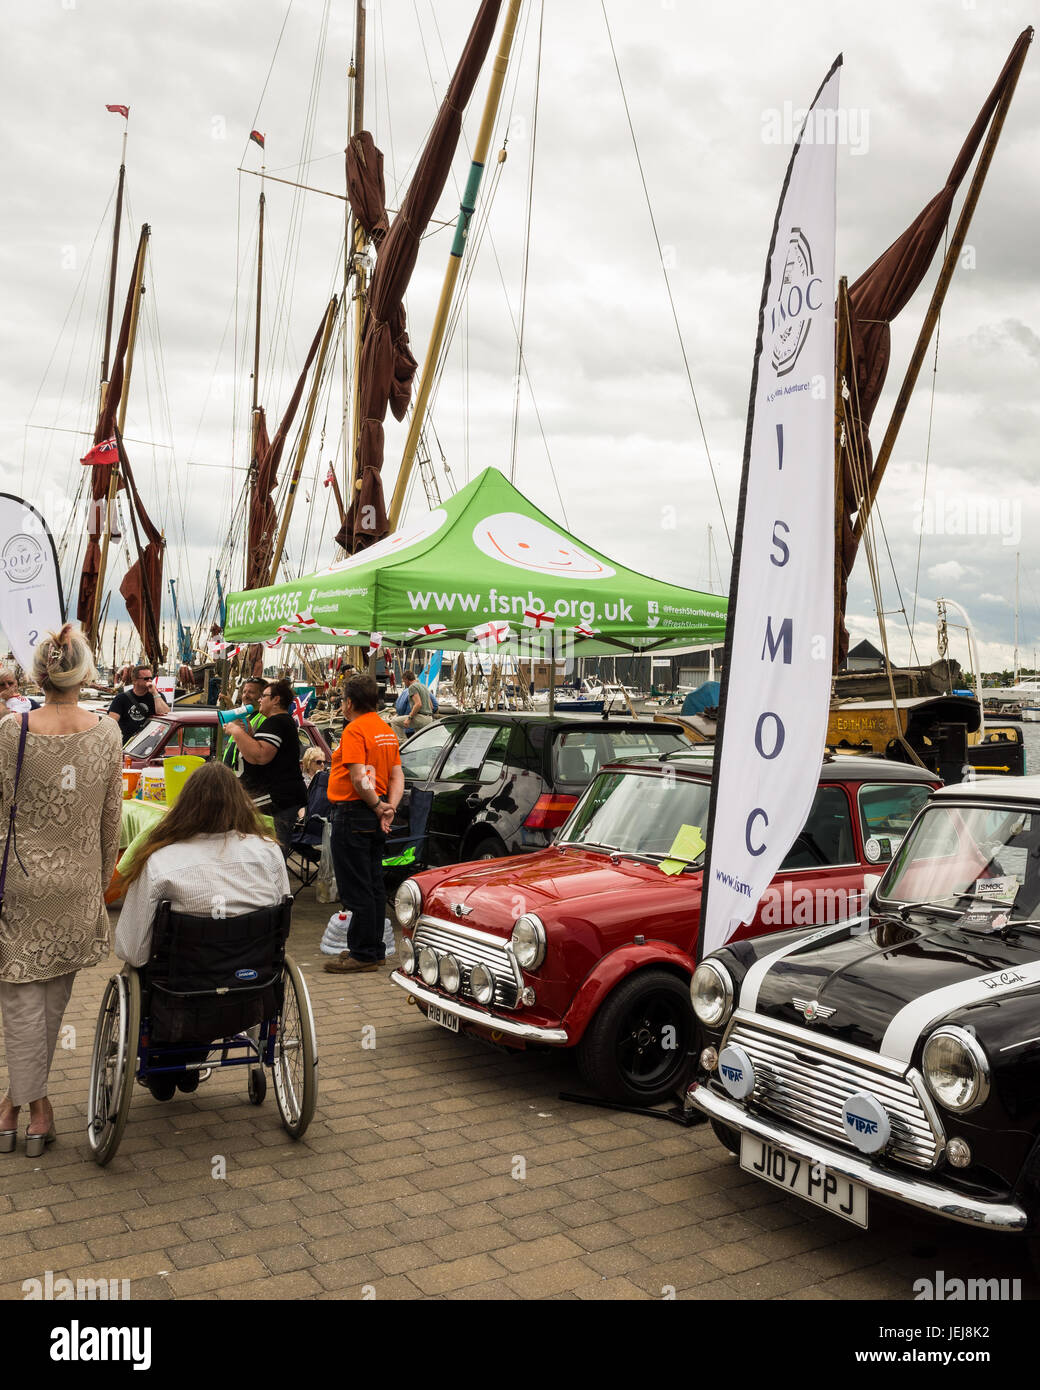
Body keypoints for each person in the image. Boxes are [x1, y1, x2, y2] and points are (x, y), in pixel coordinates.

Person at [0, 625, 122, 1155]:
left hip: (21, 881)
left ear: (41, 674)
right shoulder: (108, 734)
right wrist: (97, 886)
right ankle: (31, 1106)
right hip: (75, 885)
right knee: (48, 1000)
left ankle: (21, 1107)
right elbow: (110, 821)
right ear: (84, 674)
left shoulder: (11, 730)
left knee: (22, 997)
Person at [114, 761, 290, 1101]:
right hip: (251, 984)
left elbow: (133, 947)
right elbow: (281, 927)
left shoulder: (162, 859)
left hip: (179, 991)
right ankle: (193, 1057)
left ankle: (169, 1064)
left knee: (144, 970)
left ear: (185, 804)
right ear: (241, 802)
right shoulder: (268, 851)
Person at [323, 674, 403, 974]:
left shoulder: (355, 730)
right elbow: (397, 775)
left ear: (349, 703)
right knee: (372, 884)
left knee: (356, 888)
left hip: (354, 812)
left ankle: (364, 953)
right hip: (374, 811)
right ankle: (372, 948)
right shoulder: (385, 730)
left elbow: (358, 777)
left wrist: (376, 804)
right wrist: (388, 806)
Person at [224, 678, 307, 853]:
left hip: (277, 801)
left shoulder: (278, 721)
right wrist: (248, 735)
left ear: (276, 700)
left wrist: (236, 731)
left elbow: (260, 756)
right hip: (277, 800)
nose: (260, 700)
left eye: (264, 696)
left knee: (271, 855)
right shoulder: (277, 722)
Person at [107, 663, 170, 745]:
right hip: (128, 744)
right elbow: (111, 723)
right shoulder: (121, 698)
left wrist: (155, 693)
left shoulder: (158, 696)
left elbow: (166, 716)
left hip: (152, 744)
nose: (150, 681)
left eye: (151, 678)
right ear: (135, 681)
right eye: (146, 678)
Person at [221, 677, 265, 771]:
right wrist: (229, 704)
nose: (246, 696)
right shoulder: (246, 715)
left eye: (251, 692)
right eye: (244, 692)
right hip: (233, 774)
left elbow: (259, 751)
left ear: (262, 697)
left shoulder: (264, 719)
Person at [389, 670, 434, 743]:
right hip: (429, 718)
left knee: (394, 721)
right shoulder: (423, 687)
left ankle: (403, 743)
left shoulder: (412, 687)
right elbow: (431, 706)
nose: (404, 683)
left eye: (404, 681)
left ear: (407, 679)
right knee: (418, 742)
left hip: (421, 718)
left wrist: (409, 718)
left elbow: (418, 704)